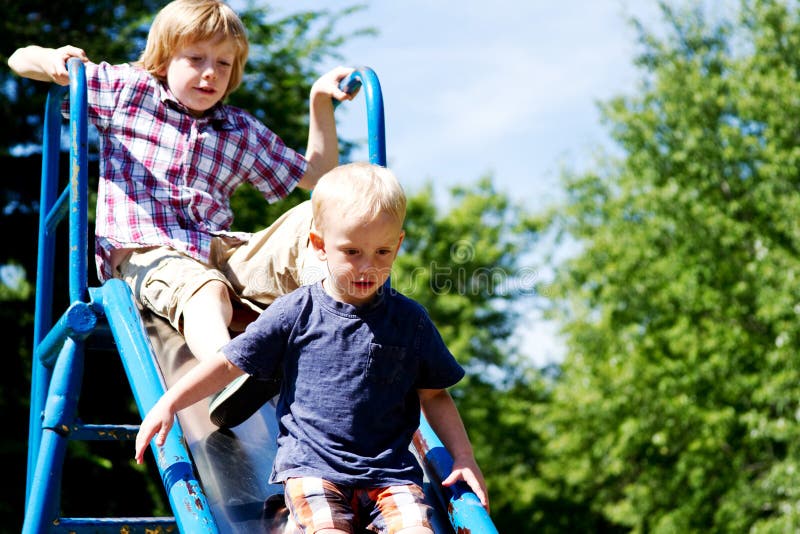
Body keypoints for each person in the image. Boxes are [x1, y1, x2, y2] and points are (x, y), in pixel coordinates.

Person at [8, 0, 355, 428]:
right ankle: (227, 373)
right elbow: (19, 59)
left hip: (218, 251)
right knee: (205, 289)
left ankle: (340, 339)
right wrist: (53, 60)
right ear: (164, 58)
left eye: (223, 63)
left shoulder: (238, 129)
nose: (210, 73)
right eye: (196, 59)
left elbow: (318, 175)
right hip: (146, 252)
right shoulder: (128, 92)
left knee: (316, 218)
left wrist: (320, 100)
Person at [135, 162, 489, 533]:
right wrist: (170, 402)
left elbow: (434, 395)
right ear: (319, 245)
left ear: (398, 244)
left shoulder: (410, 321)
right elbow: (227, 363)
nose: (367, 267)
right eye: (352, 251)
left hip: (391, 474)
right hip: (313, 469)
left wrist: (464, 456)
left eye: (382, 252)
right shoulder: (296, 311)